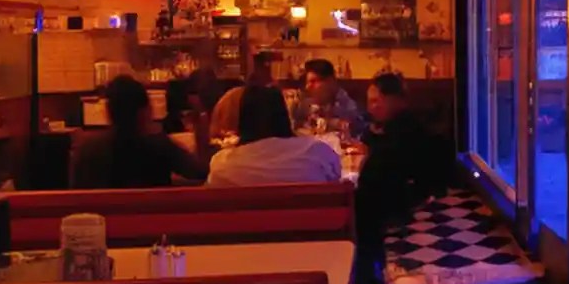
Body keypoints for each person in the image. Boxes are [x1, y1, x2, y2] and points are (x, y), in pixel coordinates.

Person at [354, 73, 451, 284]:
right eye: (369, 101)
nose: (371, 107)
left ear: (395, 99)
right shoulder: (396, 125)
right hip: (397, 191)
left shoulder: (404, 129)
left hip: (398, 195)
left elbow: (384, 163)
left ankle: (366, 270)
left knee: (354, 201)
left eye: (376, 101)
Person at [72, 75, 208, 188]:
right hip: (153, 218)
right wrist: (201, 130)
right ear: (143, 111)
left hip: (104, 219)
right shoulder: (158, 146)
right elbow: (200, 172)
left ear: (108, 110)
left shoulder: (88, 149)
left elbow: (76, 191)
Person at [207, 85, 341, 186]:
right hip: (311, 223)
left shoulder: (222, 165)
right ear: (284, 115)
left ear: (242, 120)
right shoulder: (318, 152)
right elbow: (337, 179)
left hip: (247, 223)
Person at [292, 59, 360, 133]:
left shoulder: (348, 107)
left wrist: (331, 123)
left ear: (330, 81)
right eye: (307, 82)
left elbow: (351, 130)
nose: (307, 87)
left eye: (313, 81)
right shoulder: (306, 103)